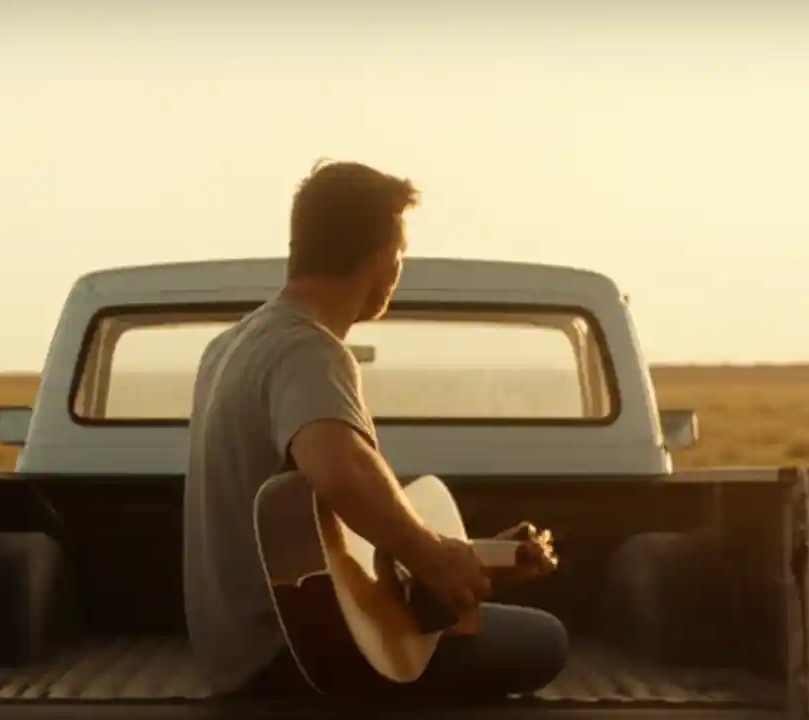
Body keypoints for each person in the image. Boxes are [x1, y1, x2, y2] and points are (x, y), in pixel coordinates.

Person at [182, 160, 569, 700]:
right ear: (381, 259)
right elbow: (339, 470)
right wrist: (431, 556)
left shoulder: (228, 346)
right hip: (291, 652)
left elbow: (331, 540)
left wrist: (465, 557)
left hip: (235, 648)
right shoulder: (308, 349)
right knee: (547, 640)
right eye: (400, 254)